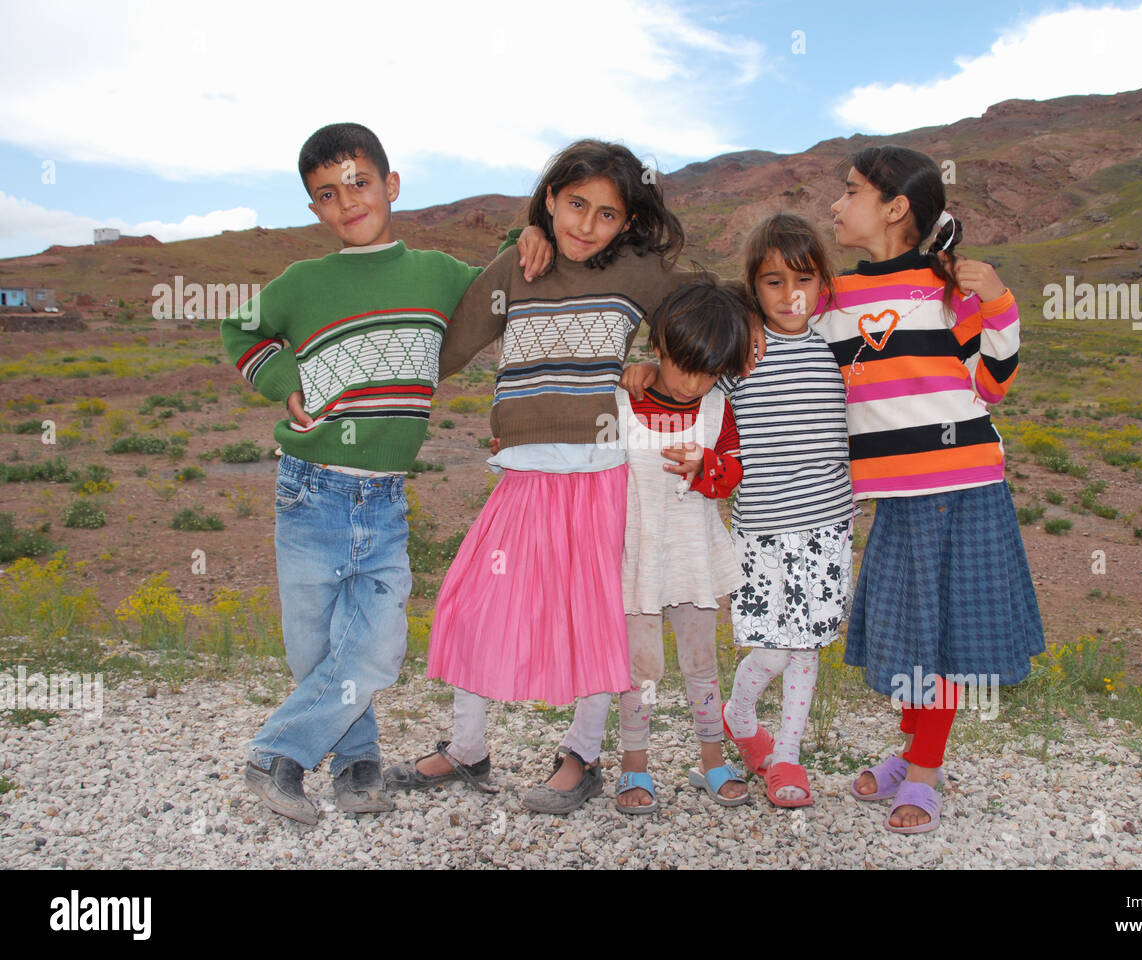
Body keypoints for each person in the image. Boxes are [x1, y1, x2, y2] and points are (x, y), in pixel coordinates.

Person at [384, 140, 764, 815]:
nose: (588, 225)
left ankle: (581, 756)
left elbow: (701, 320)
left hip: (600, 475)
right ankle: (468, 749)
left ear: (628, 222)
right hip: (524, 475)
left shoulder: (638, 272)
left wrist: (729, 335)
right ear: (550, 199)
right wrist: (374, 388)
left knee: (595, 623)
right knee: (472, 606)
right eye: (575, 205)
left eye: (609, 215)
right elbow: (453, 346)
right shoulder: (518, 263)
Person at [220, 122, 546, 825]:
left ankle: (276, 752)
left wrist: (525, 239)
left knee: (375, 645)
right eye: (327, 194)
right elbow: (239, 330)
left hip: (385, 499)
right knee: (318, 647)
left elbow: (499, 285)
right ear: (315, 210)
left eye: (359, 182)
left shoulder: (433, 272)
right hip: (309, 489)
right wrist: (283, 379)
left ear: (391, 185)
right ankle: (359, 762)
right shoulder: (301, 283)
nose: (347, 201)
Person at [819, 144, 1045, 833]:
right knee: (914, 637)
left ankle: (921, 775)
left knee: (940, 643)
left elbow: (993, 383)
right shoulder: (836, 302)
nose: (836, 203)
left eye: (850, 190)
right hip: (898, 499)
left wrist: (999, 300)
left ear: (895, 208)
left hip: (965, 487)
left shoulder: (950, 291)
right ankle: (919, 753)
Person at [623, 214, 855, 809]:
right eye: (772, 282)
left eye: (803, 278)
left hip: (828, 523)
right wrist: (647, 373)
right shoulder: (739, 356)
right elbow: (694, 395)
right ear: (753, 288)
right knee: (777, 644)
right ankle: (741, 716)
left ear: (823, 281)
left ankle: (787, 759)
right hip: (762, 528)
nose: (791, 295)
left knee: (806, 646)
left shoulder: (839, 339)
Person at [612, 279, 752, 814]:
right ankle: (635, 767)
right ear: (660, 347)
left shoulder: (718, 410)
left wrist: (706, 468)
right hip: (637, 561)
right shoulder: (623, 397)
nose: (695, 382)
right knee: (641, 669)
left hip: (694, 559)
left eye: (711, 371)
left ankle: (712, 761)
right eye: (685, 365)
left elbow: (732, 476)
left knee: (701, 662)